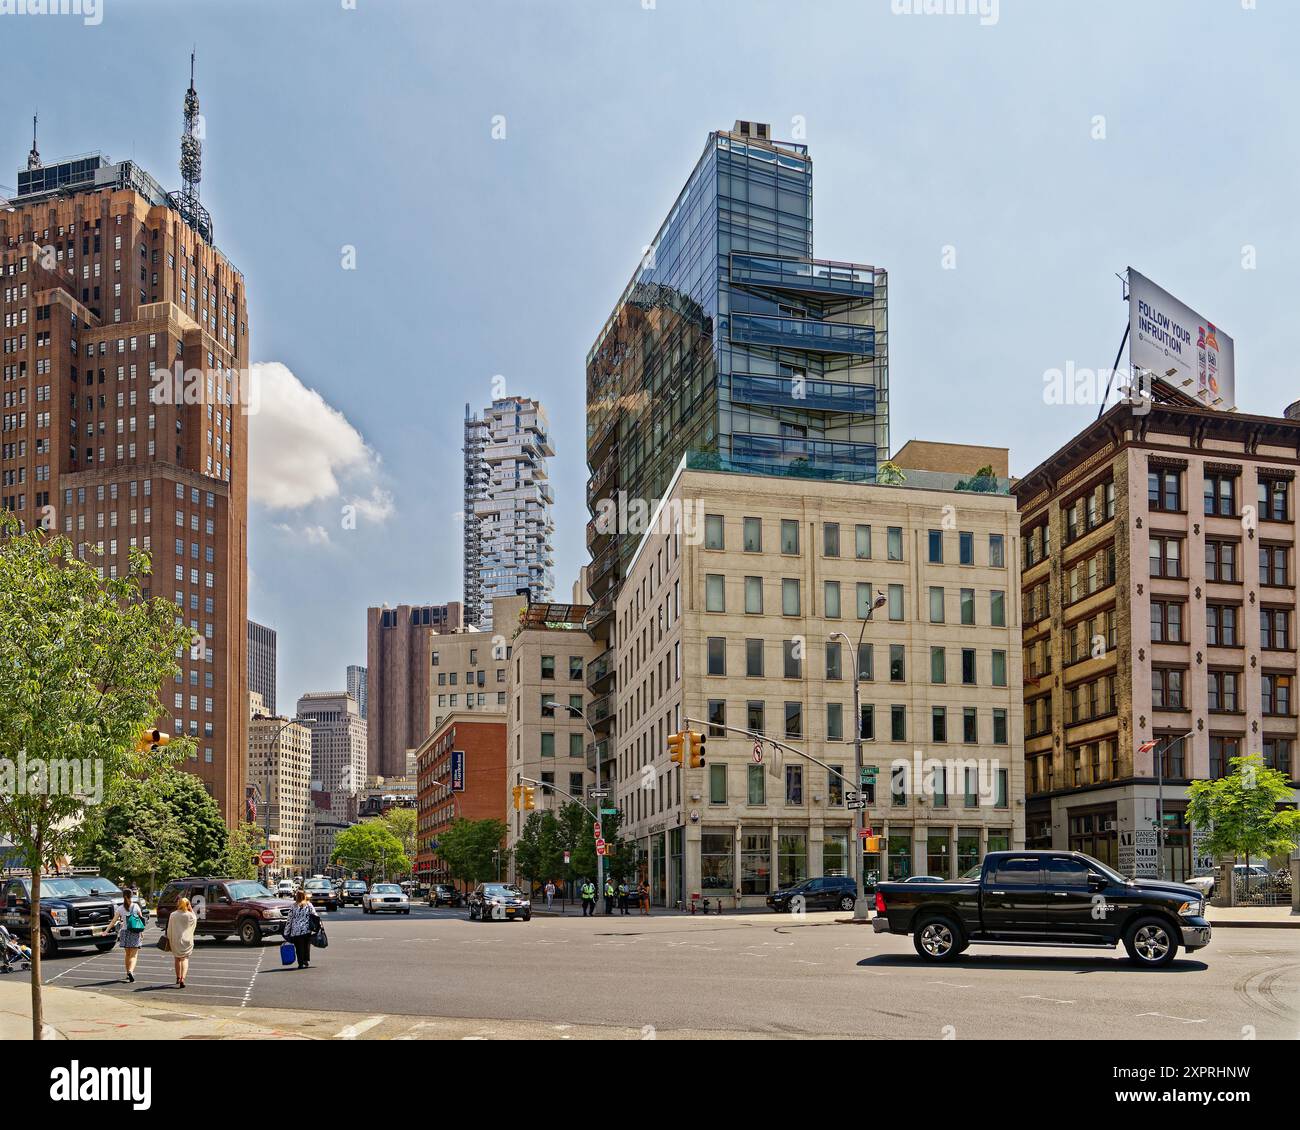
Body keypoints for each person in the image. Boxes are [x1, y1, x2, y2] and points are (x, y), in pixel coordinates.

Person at [111, 885, 147, 983]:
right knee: (134, 955)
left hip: (124, 932)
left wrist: (106, 931)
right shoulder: (136, 906)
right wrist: (142, 932)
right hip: (135, 932)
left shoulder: (120, 908)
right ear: (132, 895)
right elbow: (140, 919)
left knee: (127, 954)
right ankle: (131, 971)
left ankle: (127, 973)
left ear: (123, 896)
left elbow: (113, 921)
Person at [284, 888, 321, 969]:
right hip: (306, 929)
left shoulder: (293, 906)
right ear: (304, 896)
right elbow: (315, 916)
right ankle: (305, 960)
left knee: (298, 947)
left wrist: (286, 932)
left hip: (296, 931)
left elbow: (289, 920)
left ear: (296, 897)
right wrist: (319, 926)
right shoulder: (308, 905)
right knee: (306, 946)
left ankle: (300, 963)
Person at [166, 896, 198, 988]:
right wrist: (190, 908)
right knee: (184, 959)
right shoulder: (190, 915)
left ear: (178, 904)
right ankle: (182, 979)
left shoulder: (173, 915)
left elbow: (169, 928)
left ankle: (178, 977)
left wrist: (169, 938)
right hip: (187, 940)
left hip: (175, 939)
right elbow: (195, 920)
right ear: (188, 905)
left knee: (177, 958)